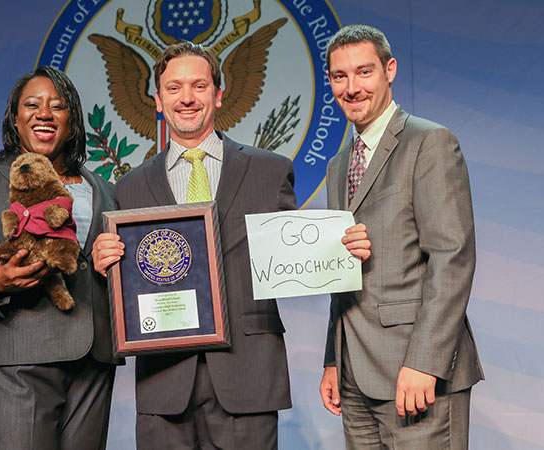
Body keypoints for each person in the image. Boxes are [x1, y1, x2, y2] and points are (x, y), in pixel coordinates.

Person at [92, 41, 369, 450]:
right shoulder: (130, 187)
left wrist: (340, 249)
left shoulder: (270, 170)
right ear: (157, 99)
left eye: (199, 86)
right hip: (164, 383)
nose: (187, 98)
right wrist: (106, 266)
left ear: (219, 95)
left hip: (248, 375)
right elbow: (128, 286)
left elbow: (298, 257)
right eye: (174, 88)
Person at [0, 66, 120, 450]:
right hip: (11, 365)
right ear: (15, 119)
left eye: (57, 105)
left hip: (92, 365)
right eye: (32, 105)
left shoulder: (105, 188)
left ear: (73, 120)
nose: (44, 113)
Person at [319, 24, 484, 449]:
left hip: (414, 373)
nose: (352, 88)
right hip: (355, 375)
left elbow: (453, 258)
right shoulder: (339, 165)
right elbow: (343, 270)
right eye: (340, 76)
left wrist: (426, 363)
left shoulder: (429, 142)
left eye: (364, 72)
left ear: (389, 70)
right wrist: (333, 359)